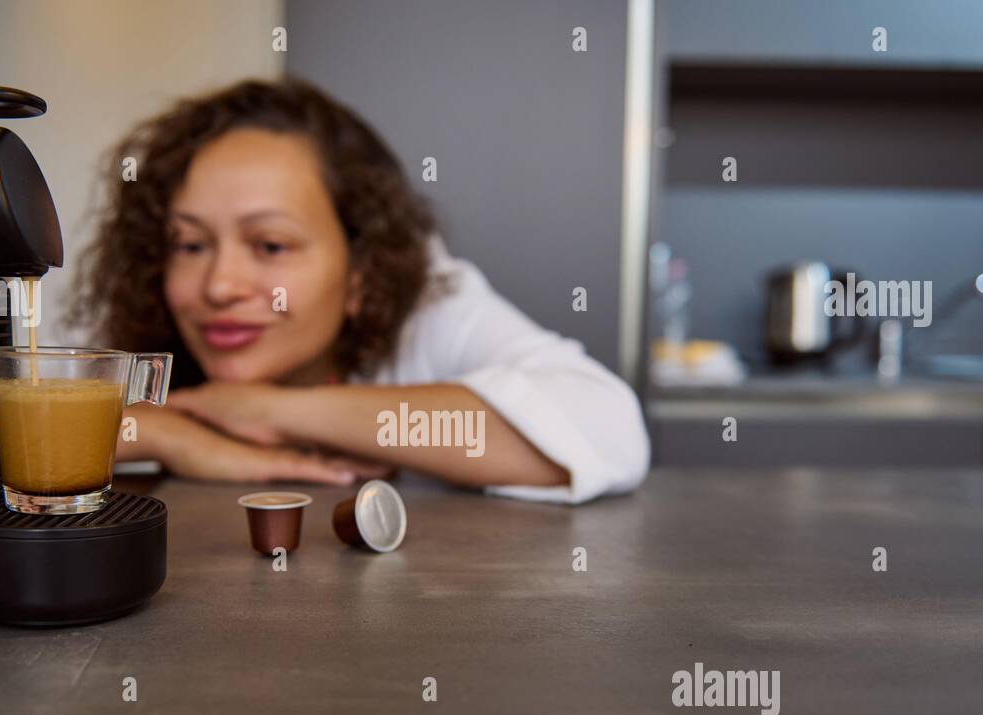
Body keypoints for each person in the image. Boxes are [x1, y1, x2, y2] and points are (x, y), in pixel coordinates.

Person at [74, 78, 648, 504]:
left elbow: (608, 429)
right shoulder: (141, 338)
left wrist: (274, 413)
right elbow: (17, 429)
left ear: (360, 273)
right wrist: (168, 433)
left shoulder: (434, 310)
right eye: (190, 245)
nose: (220, 286)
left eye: (271, 245)